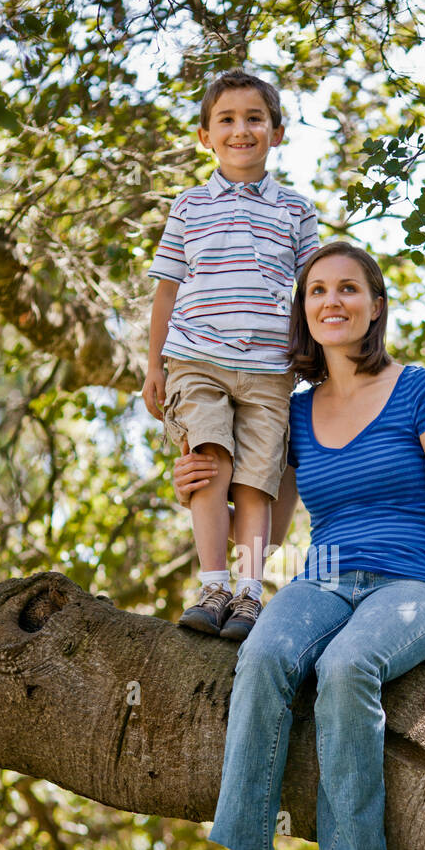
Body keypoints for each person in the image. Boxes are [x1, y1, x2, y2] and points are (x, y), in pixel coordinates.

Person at [173, 241, 425, 850]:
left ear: (374, 306)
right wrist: (204, 495)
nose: (332, 301)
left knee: (347, 667)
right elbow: (274, 524)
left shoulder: (423, 391)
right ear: (304, 309)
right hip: (321, 577)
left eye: (348, 289)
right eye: (317, 291)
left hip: (413, 585)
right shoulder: (293, 411)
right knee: (262, 656)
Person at [143, 69, 319, 641]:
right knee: (210, 461)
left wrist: (316, 364)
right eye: (227, 119)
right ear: (205, 136)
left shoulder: (296, 209)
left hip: (271, 371)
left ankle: (248, 592)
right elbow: (167, 287)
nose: (241, 130)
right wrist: (153, 367)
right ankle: (213, 582)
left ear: (277, 131)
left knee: (258, 479)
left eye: (254, 119)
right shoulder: (189, 205)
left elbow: (311, 289)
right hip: (198, 357)